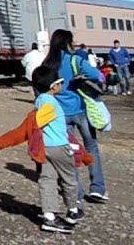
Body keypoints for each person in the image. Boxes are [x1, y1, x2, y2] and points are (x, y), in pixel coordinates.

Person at [41, 29, 108, 202]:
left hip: (60, 115)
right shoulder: (75, 60)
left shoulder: (47, 64)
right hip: (80, 110)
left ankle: (75, 192)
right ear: (68, 43)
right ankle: (97, 188)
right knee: (91, 147)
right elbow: (98, 76)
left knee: (69, 152)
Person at [29, 65, 82, 233]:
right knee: (68, 178)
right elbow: (40, 120)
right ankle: (72, 210)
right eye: (61, 82)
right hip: (59, 146)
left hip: (45, 147)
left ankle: (49, 216)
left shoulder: (40, 100)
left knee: (47, 179)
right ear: (54, 86)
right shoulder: (50, 103)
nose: (62, 85)